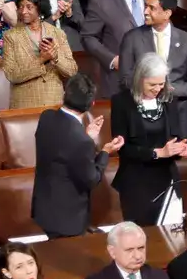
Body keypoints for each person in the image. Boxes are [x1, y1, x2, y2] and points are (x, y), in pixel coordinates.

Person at [31, 74, 123, 237]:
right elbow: (91, 179)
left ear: (65, 94)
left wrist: (87, 137)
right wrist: (105, 152)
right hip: (67, 219)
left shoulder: (46, 117)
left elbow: (63, 151)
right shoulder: (80, 140)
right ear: (91, 104)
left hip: (44, 210)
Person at [110, 54, 187, 225]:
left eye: (161, 83)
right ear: (140, 79)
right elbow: (122, 147)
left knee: (171, 236)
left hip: (166, 178)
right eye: (152, 84)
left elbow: (175, 138)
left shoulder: (169, 99)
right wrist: (157, 153)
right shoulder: (122, 102)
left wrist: (180, 149)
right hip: (136, 182)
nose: (158, 89)